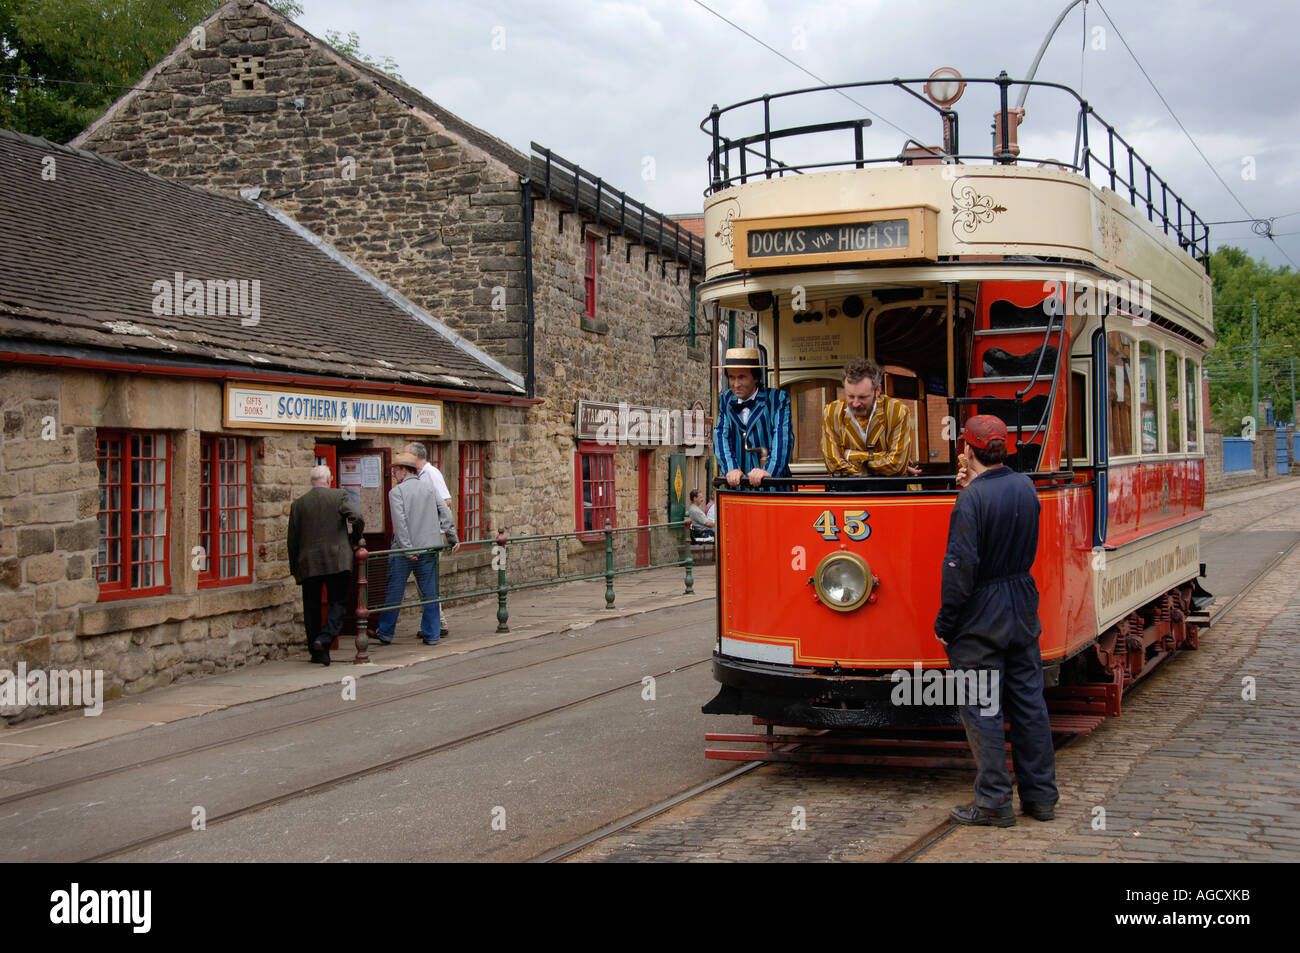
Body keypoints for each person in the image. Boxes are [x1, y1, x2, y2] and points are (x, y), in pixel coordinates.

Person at [934, 415, 1058, 827]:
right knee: (1029, 705)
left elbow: (960, 567)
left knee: (984, 709)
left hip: (981, 616)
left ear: (968, 451)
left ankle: (993, 802)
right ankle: (1041, 798)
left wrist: (945, 622)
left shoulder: (971, 500)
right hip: (1022, 605)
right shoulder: (1025, 486)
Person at [373, 451, 460, 646]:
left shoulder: (396, 493)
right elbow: (445, 514)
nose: (394, 474)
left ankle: (386, 632)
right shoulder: (429, 489)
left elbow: (400, 523)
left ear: (404, 471)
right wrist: (453, 538)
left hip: (403, 552)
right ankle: (432, 635)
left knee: (394, 593)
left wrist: (407, 549)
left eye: (395, 470)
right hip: (429, 548)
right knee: (430, 593)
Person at [287, 464, 364, 666]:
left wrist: (295, 568)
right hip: (337, 561)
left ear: (311, 481)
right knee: (337, 603)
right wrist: (355, 539)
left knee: (311, 607)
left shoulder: (298, 504)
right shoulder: (338, 496)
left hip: (308, 563)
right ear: (329, 480)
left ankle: (317, 651)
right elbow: (357, 517)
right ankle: (325, 638)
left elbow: (292, 540)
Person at [821, 357, 919, 477]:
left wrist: (849, 455)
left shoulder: (898, 411)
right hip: (847, 491)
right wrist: (882, 457)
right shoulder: (832, 412)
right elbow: (833, 464)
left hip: (890, 492)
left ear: (878, 390)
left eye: (862, 397)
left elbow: (896, 465)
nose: (856, 403)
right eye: (850, 396)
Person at [713, 347, 792, 488]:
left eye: (742, 377)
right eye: (732, 377)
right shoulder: (725, 400)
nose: (736, 384)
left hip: (773, 490)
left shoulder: (777, 399)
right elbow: (721, 437)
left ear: (755, 377)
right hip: (738, 489)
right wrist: (731, 469)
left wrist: (768, 472)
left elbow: (783, 439)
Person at [405, 441, 453, 639]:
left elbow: (446, 501)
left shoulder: (431, 473)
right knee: (423, 581)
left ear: (416, 457)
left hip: (430, 535)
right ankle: (434, 621)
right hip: (421, 535)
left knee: (427, 580)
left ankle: (438, 622)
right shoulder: (419, 476)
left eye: (406, 455)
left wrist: (429, 520)